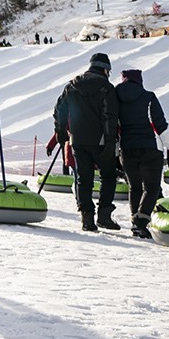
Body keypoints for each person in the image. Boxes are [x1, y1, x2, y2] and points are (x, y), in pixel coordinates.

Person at [53, 51, 120, 232]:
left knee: (84, 179)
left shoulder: (72, 86)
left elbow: (59, 109)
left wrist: (61, 132)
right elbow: (109, 116)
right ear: (105, 70)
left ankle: (87, 219)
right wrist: (110, 141)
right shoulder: (106, 88)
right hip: (100, 141)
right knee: (108, 176)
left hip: (78, 141)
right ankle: (104, 216)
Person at [115, 69, 169, 239]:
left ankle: (135, 221)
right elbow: (159, 124)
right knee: (152, 187)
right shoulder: (149, 97)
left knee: (134, 186)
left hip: (126, 148)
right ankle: (141, 221)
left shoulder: (115, 97)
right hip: (150, 148)